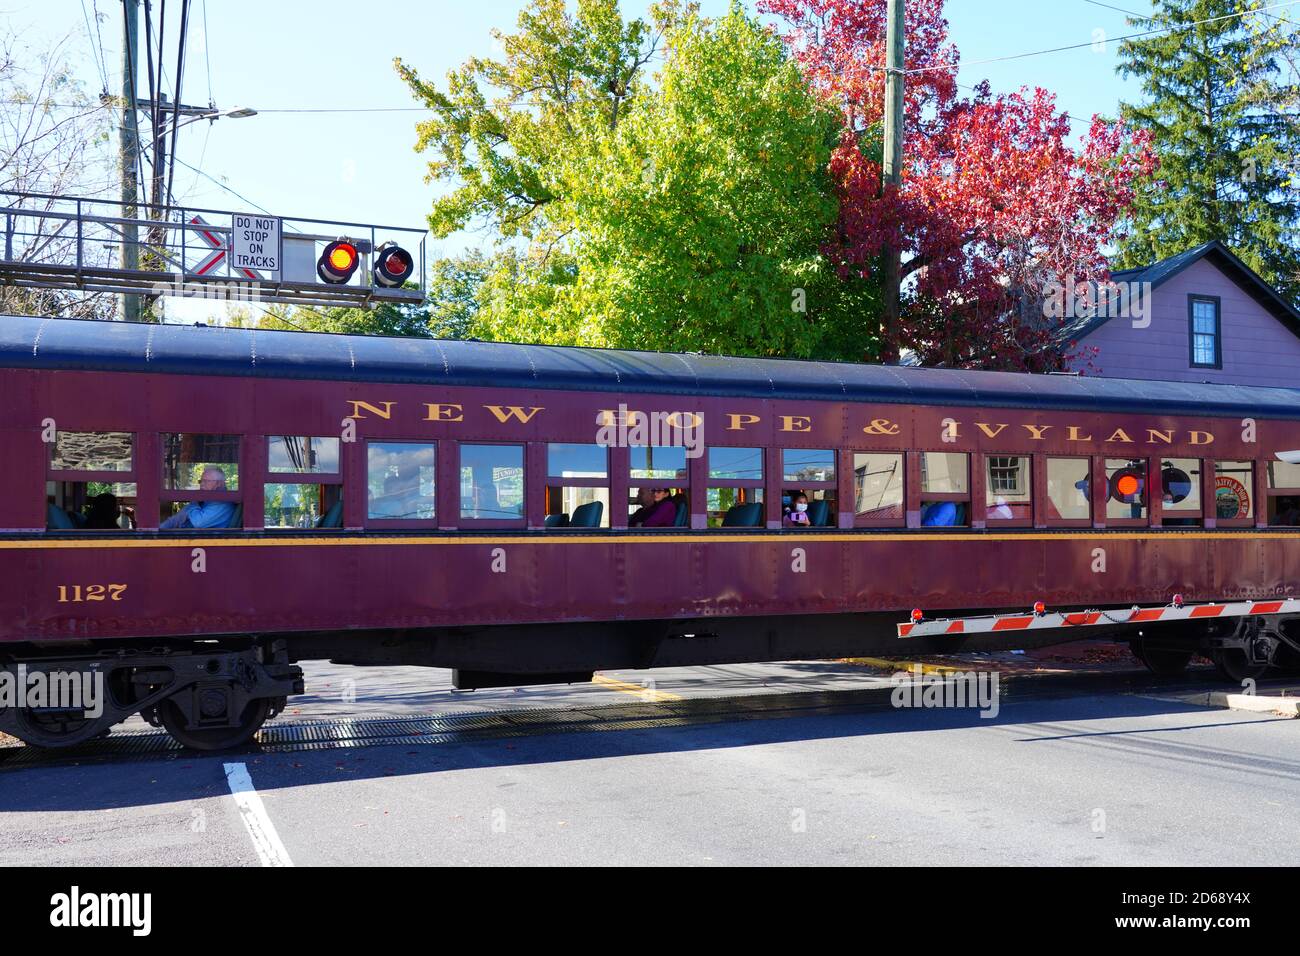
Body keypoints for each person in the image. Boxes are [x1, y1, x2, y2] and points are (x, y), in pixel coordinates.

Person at [161, 466, 238, 529]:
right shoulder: (205, 500)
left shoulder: (223, 502)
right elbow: (176, 519)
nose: (202, 484)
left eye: (206, 481)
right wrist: (159, 530)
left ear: (219, 484)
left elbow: (198, 523)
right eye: (201, 481)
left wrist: (195, 501)